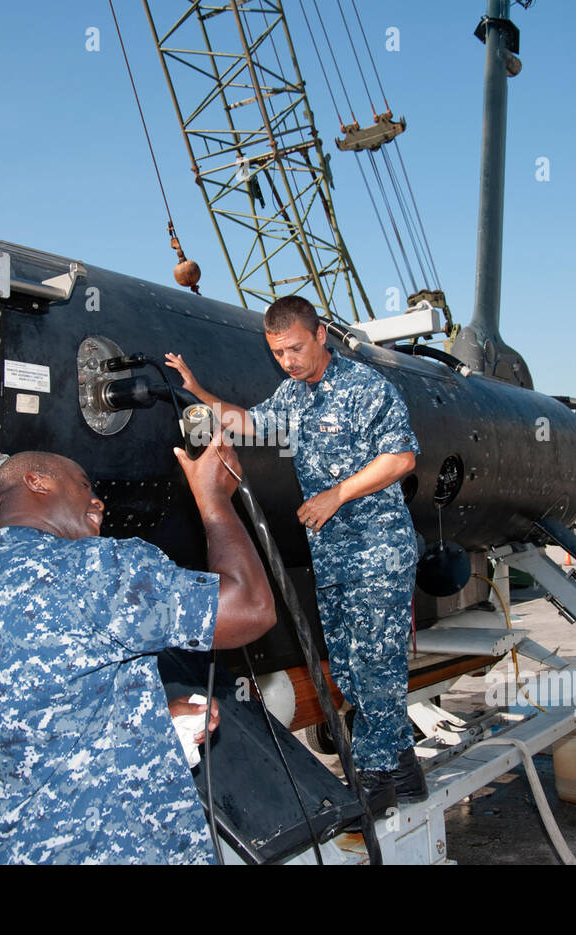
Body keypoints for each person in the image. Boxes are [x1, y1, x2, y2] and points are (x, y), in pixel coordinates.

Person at [0, 432, 275, 864]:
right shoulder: (90, 567)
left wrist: (145, 720)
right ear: (37, 482)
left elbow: (31, 724)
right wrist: (213, 498)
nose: (98, 501)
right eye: (83, 485)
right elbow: (250, 608)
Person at [165, 294, 426, 813]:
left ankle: (373, 782)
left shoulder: (365, 388)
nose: (288, 360)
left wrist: (336, 494)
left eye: (295, 348)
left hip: (378, 552)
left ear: (320, 335)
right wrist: (198, 393)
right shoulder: (294, 395)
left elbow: (401, 459)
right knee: (350, 670)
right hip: (334, 557)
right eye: (279, 352)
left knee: (376, 664)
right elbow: (251, 424)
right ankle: (405, 768)